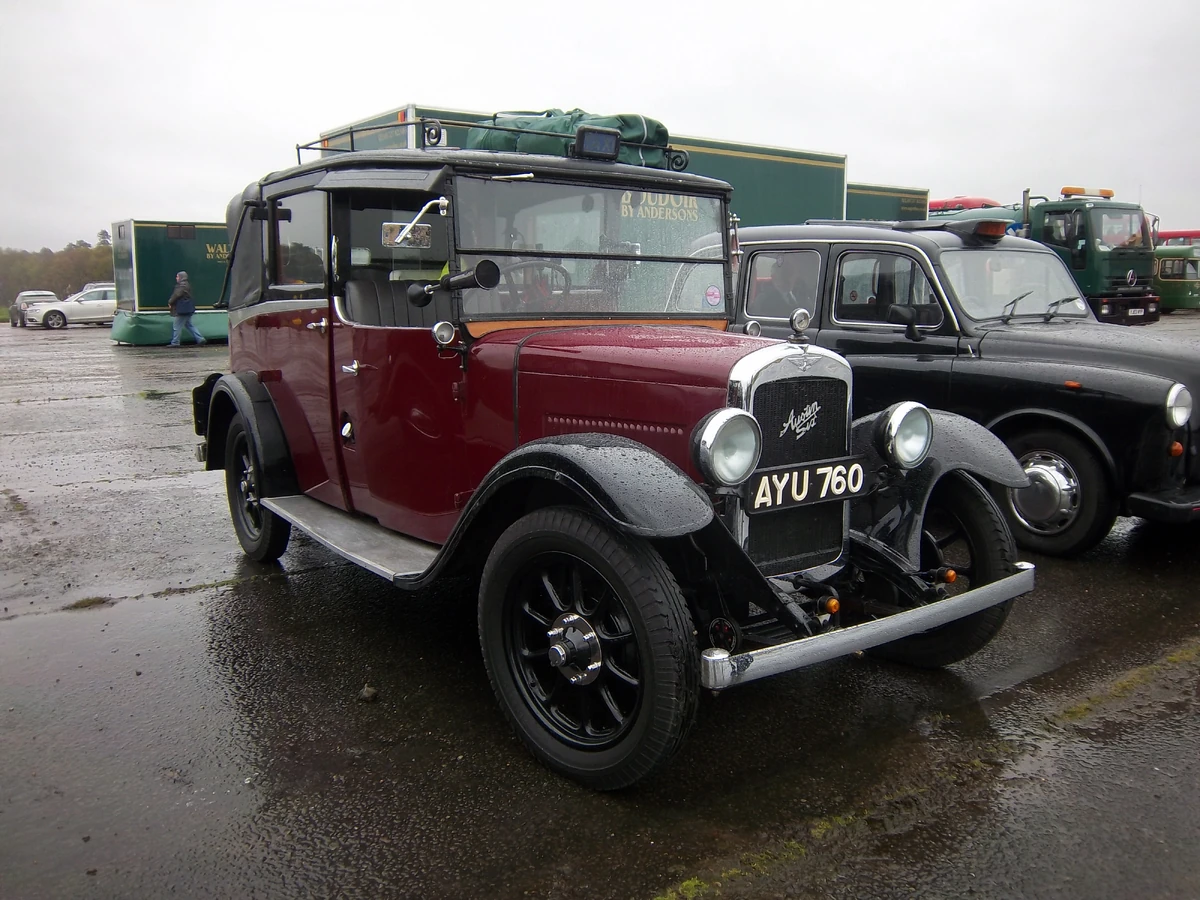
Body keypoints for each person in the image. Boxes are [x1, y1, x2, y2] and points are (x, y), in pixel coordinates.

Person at [168, 271, 206, 347]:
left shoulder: (181, 285)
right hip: (188, 309)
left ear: (181, 277)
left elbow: (176, 295)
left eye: (177, 276)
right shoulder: (187, 284)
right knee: (189, 325)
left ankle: (175, 342)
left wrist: (170, 302)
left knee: (176, 326)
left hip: (182, 309)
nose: (176, 278)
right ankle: (200, 339)